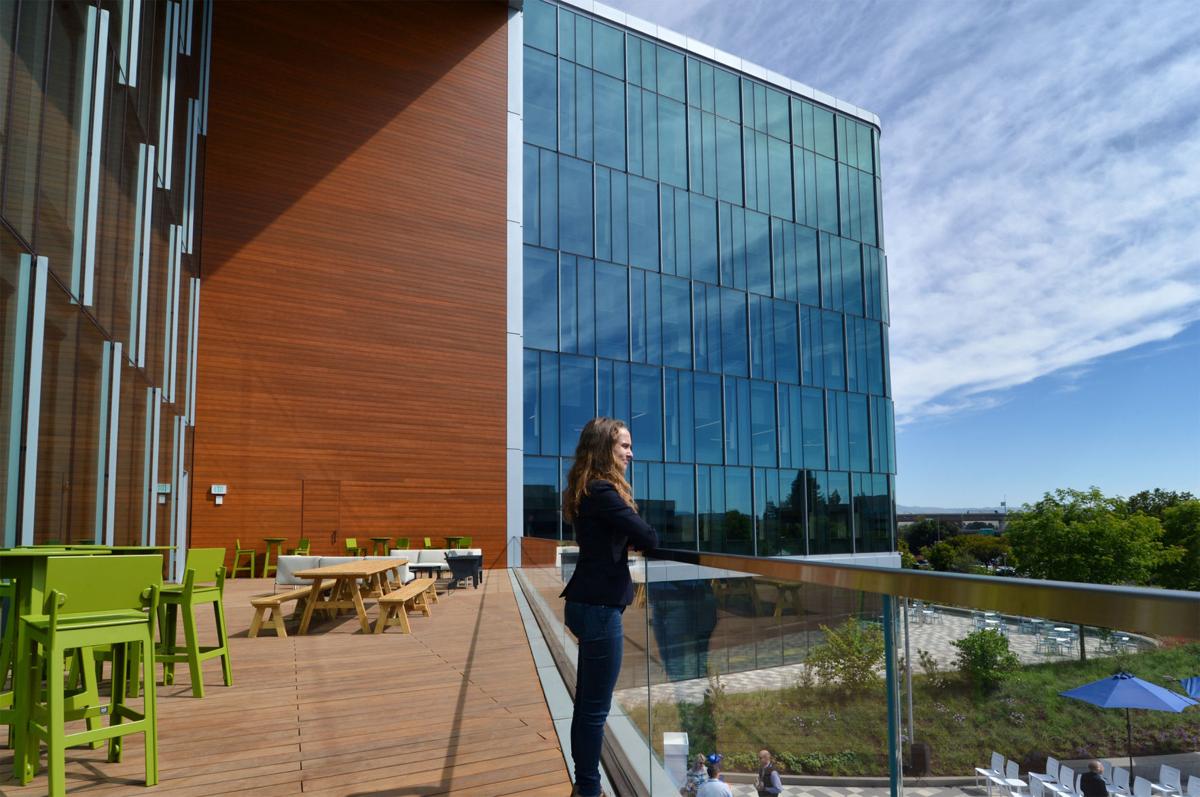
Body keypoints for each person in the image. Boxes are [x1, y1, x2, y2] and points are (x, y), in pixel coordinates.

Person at [561, 417, 658, 797]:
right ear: (605, 449)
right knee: (594, 711)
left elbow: (616, 537)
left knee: (587, 705)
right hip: (600, 609)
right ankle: (588, 788)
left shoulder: (587, 490)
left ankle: (585, 785)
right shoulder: (603, 491)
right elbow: (648, 534)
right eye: (624, 446)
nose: (631, 453)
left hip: (586, 603)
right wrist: (634, 538)